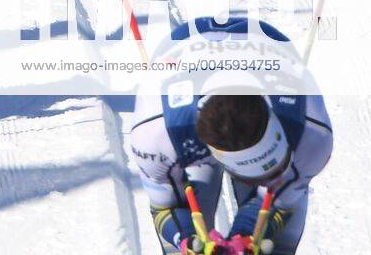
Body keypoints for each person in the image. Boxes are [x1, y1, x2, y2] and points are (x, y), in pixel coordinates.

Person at [130, 17, 333, 254]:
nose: (272, 177)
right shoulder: (156, 135)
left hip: (269, 43)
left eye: (275, 168)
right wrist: (188, 241)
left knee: (274, 243)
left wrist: (246, 236)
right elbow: (165, 205)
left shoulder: (311, 132)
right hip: (183, 54)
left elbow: (281, 200)